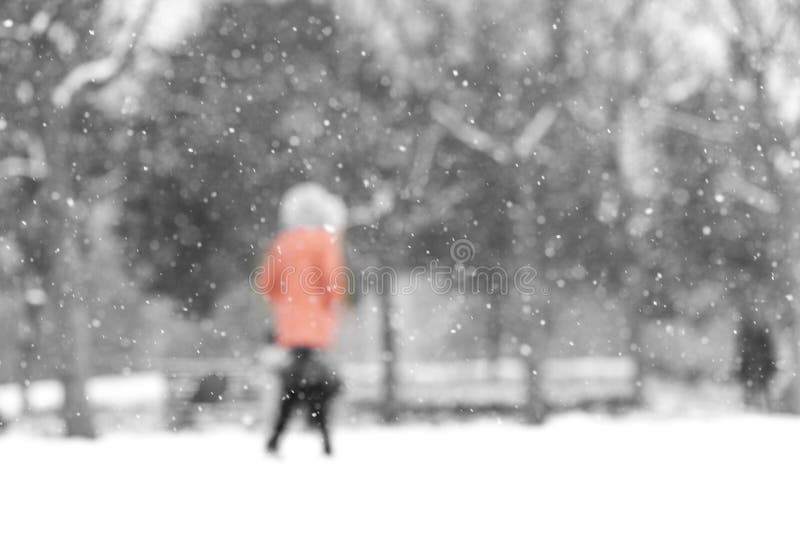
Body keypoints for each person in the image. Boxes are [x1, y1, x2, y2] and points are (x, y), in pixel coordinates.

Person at [256, 183, 346, 455]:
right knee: (314, 381)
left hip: (290, 326)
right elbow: (332, 282)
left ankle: (281, 435)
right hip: (318, 326)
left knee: (295, 379)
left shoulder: (283, 242)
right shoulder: (324, 241)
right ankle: (321, 435)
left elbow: (267, 284)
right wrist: (331, 306)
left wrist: (287, 303)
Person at [735, 313, 777, 410]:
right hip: (756, 362)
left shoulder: (754, 331)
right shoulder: (752, 331)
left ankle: (755, 405)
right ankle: (754, 405)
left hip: (758, 362)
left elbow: (769, 348)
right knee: (759, 385)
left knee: (761, 385)